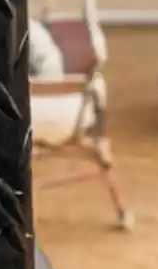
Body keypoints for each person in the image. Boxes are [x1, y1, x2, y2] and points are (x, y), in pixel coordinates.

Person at [28, 14, 134, 231]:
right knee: (97, 91)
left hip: (28, 124)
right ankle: (102, 143)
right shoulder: (34, 30)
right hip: (71, 120)